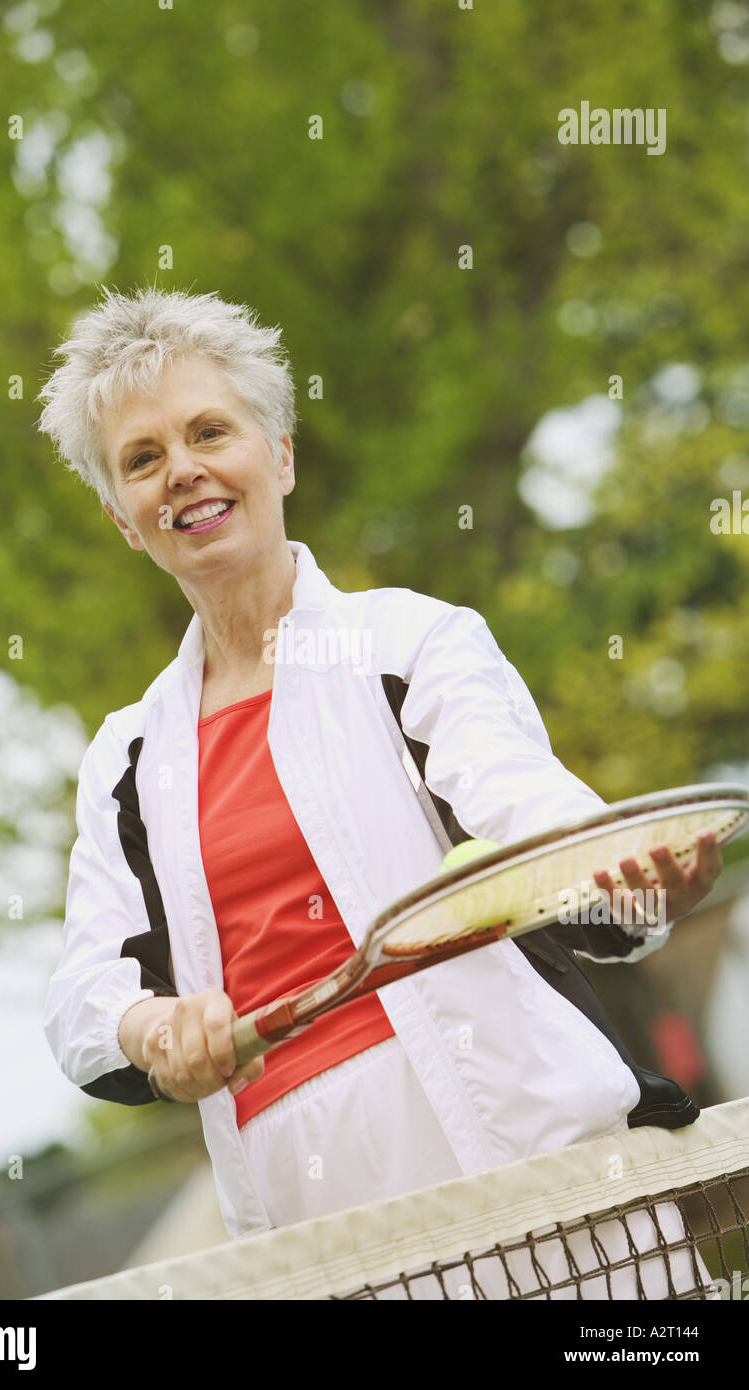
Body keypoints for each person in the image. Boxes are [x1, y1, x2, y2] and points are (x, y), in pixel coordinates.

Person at [37, 285, 721, 1294]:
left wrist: (618, 872)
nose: (182, 469)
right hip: (318, 1243)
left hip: (549, 1195)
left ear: (280, 455)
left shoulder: (415, 642)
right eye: (143, 458)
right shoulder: (124, 760)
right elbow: (85, 1000)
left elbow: (526, 809)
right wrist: (152, 1029)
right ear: (123, 519)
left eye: (209, 431)